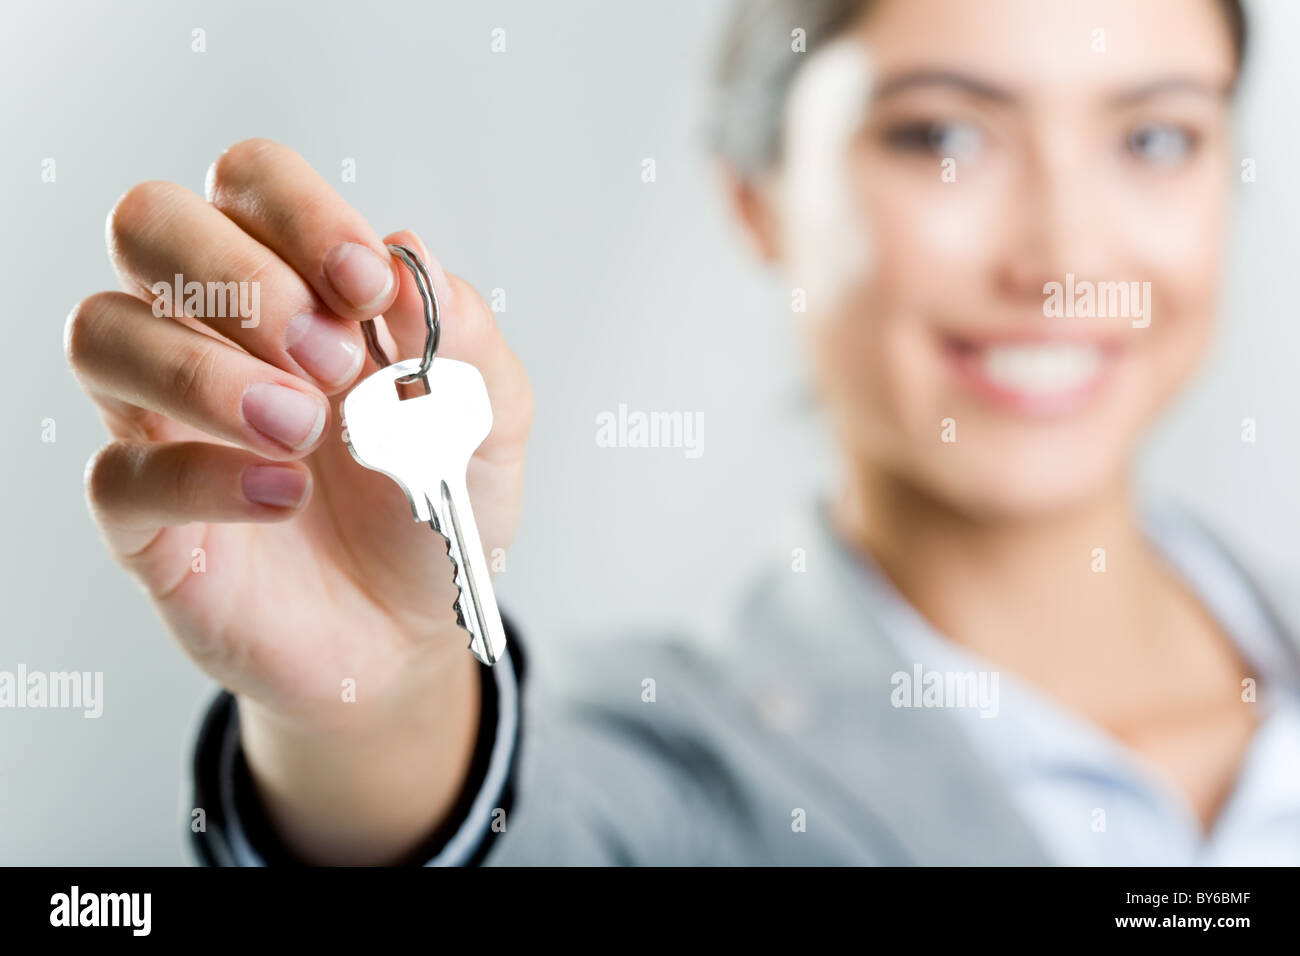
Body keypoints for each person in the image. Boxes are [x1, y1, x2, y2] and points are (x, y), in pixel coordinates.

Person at [65, 0, 1299, 865]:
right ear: (756, 199)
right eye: (942, 136)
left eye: (1153, 137)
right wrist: (369, 712)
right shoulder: (664, 765)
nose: (1066, 257)